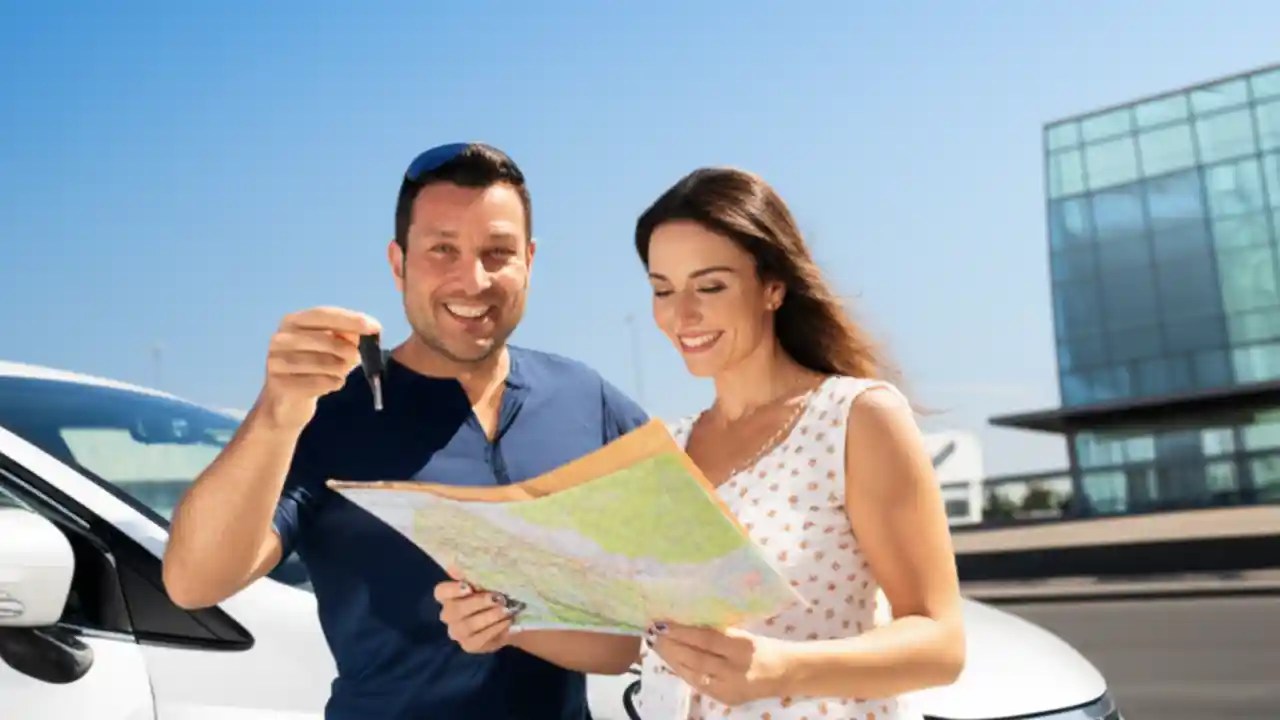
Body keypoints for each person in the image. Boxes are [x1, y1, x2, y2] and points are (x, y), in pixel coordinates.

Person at [437, 166, 966, 720]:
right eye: (662, 289)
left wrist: (783, 670)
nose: (681, 315)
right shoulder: (669, 448)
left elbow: (941, 643)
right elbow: (633, 644)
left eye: (710, 286)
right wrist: (506, 621)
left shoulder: (855, 418)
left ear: (773, 286)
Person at [161, 141, 649, 720]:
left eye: (498, 252)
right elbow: (194, 583)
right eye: (443, 250)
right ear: (399, 263)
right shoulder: (327, 412)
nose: (473, 280)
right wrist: (275, 411)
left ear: (530, 261)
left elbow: (690, 572)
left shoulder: (582, 397)